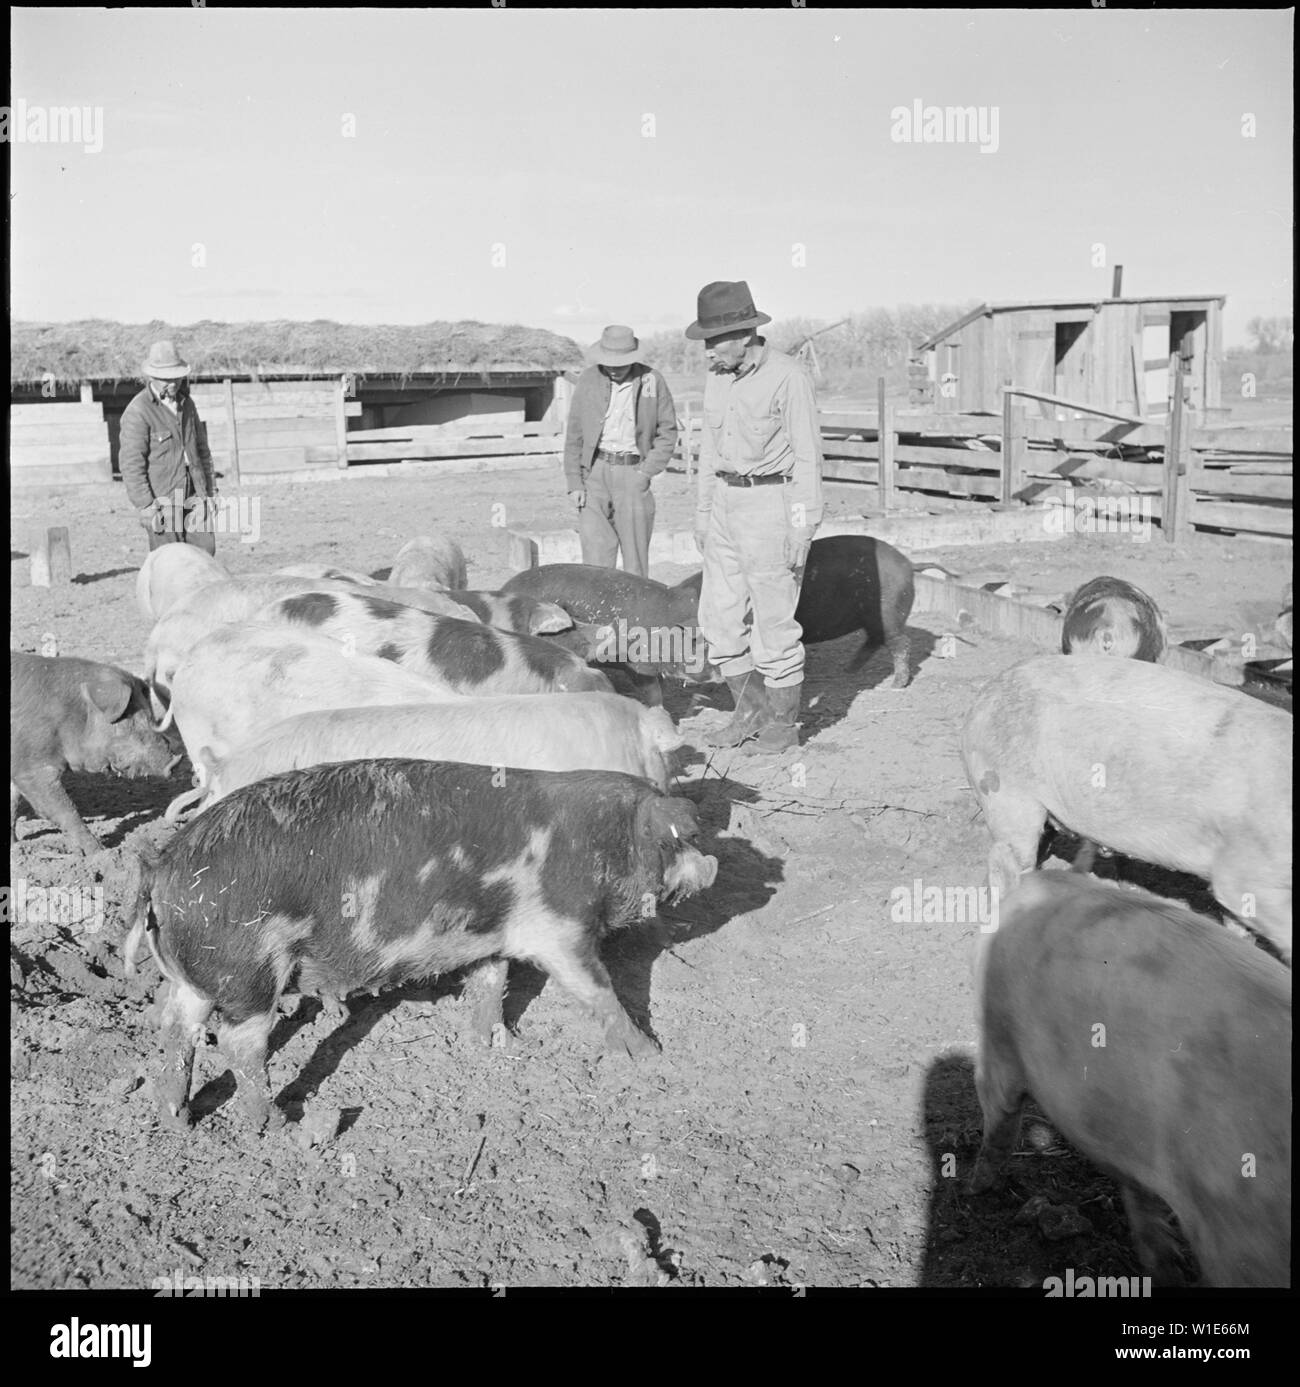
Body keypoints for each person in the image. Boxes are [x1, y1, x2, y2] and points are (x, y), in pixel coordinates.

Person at [688, 281, 824, 754]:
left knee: (773, 622)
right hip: (725, 503)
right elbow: (708, 450)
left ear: (744, 333)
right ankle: (748, 712)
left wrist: (802, 528)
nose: (709, 351)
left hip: (771, 505)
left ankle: (783, 725)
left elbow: (807, 459)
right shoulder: (718, 377)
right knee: (719, 618)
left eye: (715, 340)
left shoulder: (789, 376)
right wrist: (704, 514)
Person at [562, 325, 678, 578]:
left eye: (621, 362)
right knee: (595, 554)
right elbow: (574, 435)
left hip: (633, 473)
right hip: (595, 473)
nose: (614, 368)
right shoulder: (588, 379)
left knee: (635, 560)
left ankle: (632, 617)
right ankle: (599, 616)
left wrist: (645, 473)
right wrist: (575, 483)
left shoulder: (652, 380)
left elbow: (668, 433)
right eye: (608, 362)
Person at [119, 341, 218, 555]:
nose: (172, 385)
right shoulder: (138, 411)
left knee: (204, 554)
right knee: (170, 560)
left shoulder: (187, 405)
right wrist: (145, 505)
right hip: (162, 500)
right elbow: (131, 464)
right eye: (166, 379)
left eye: (176, 378)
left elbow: (202, 450)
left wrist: (210, 492)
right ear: (151, 377)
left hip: (195, 495)